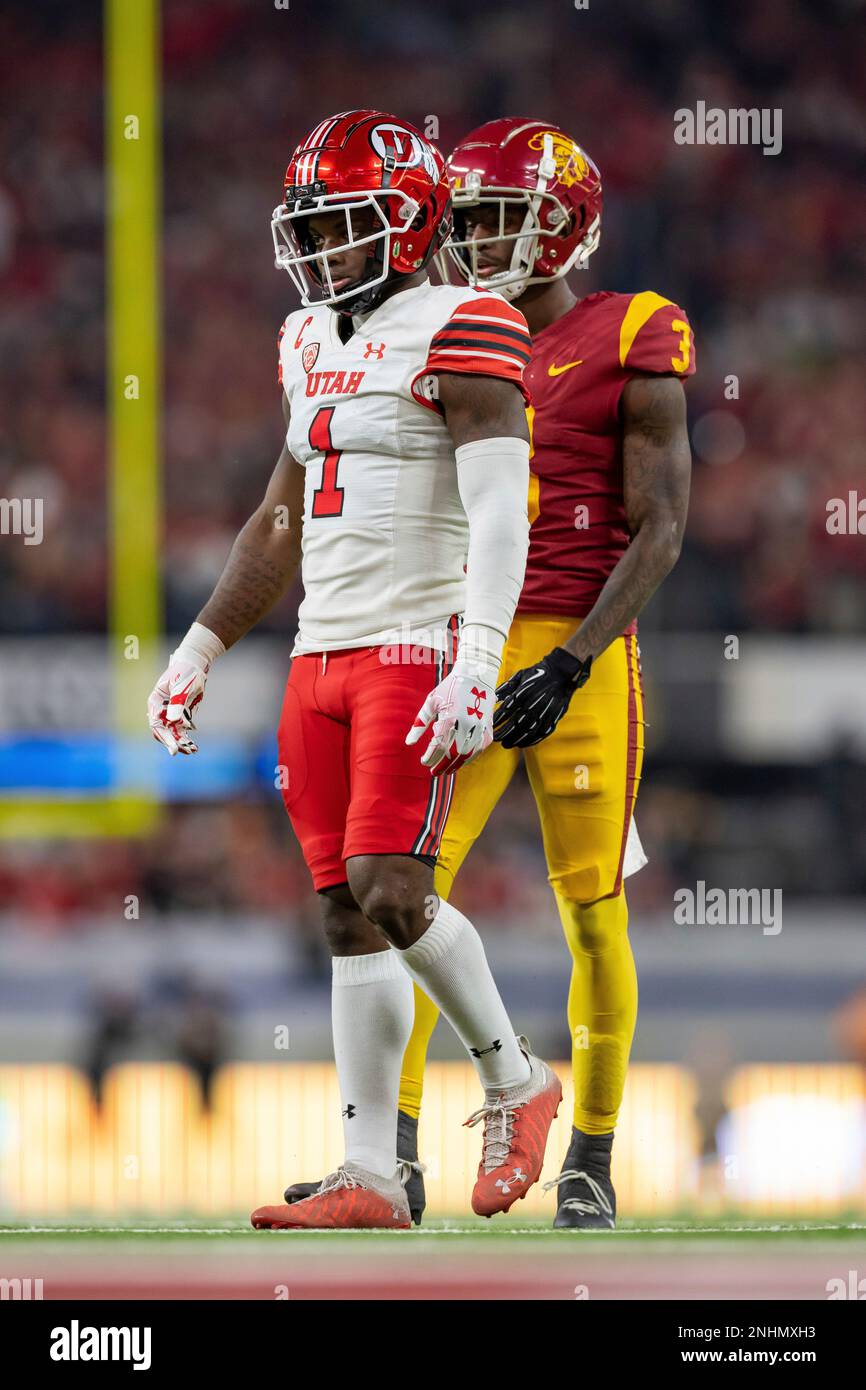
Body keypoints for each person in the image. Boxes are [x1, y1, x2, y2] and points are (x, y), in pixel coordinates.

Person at [147, 110, 562, 1230]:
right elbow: (277, 519)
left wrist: (476, 661)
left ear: (408, 217)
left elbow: (497, 514)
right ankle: (370, 1173)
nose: (320, 252)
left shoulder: (467, 321)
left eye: (342, 226)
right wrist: (197, 649)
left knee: (391, 884)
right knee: (341, 915)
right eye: (310, 229)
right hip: (318, 653)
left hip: (410, 648)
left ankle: (516, 1077)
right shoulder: (305, 340)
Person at [287, 117, 695, 1229]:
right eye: (462, 217)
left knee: (592, 914)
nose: (472, 236)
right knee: (400, 900)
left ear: (564, 222)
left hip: (574, 647)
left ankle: (591, 1158)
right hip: (447, 636)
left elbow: (658, 529)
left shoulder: (634, 333)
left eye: (498, 216)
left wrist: (567, 663)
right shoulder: (437, 323)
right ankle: (395, 1154)